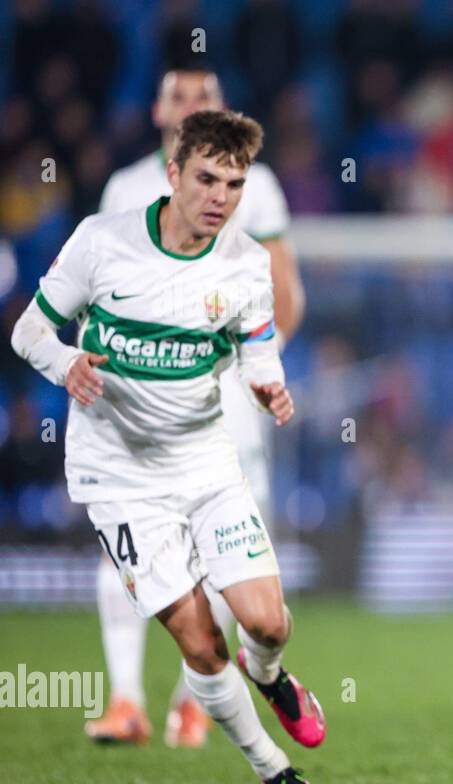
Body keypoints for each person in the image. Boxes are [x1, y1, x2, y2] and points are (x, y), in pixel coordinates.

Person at [11, 109, 335, 784]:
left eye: (235, 184)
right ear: (173, 175)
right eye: (208, 178)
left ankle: (271, 673)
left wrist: (267, 383)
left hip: (204, 462)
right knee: (199, 637)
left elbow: (258, 349)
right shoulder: (103, 243)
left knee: (269, 624)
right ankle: (274, 770)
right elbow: (29, 328)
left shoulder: (246, 263)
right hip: (118, 475)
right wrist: (67, 362)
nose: (220, 196)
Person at [89, 65, 306, 747]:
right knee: (126, 538)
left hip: (225, 394)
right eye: (180, 96)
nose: (191, 105)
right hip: (139, 393)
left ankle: (195, 699)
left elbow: (280, 285)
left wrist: (259, 365)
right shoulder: (125, 188)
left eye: (203, 97)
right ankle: (126, 699)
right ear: (158, 111)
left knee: (226, 549)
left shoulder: (259, 184)